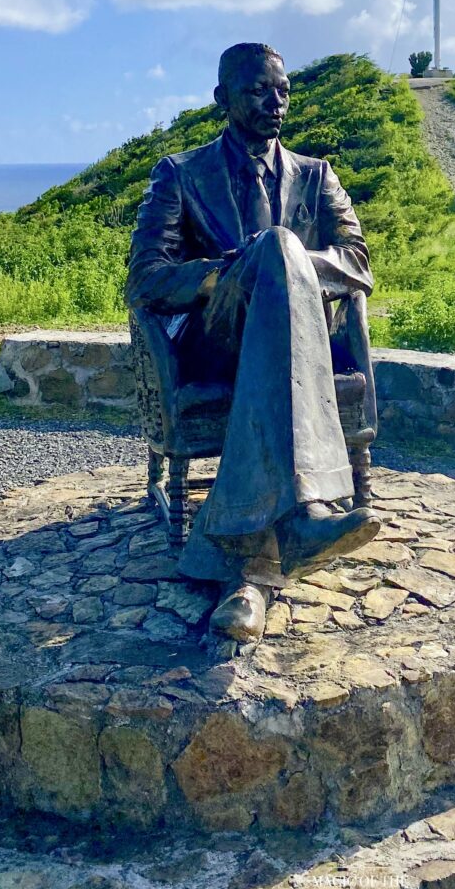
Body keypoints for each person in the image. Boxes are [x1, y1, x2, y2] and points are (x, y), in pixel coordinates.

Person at [125, 43, 381, 641]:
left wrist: (286, 265)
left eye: (283, 90)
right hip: (217, 337)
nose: (276, 102)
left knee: (281, 248)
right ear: (222, 99)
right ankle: (307, 509)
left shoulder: (317, 176)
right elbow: (145, 279)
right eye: (258, 91)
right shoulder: (180, 175)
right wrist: (228, 272)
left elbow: (357, 263)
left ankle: (252, 564)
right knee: (272, 245)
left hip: (297, 340)